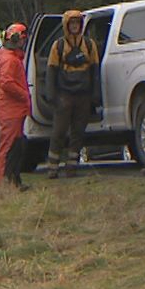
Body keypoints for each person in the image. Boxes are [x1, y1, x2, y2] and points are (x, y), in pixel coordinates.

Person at [46, 9, 100, 179]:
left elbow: (95, 71)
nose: (75, 26)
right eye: (72, 23)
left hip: (83, 95)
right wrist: (51, 94)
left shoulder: (89, 45)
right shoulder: (58, 46)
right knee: (59, 132)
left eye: (78, 23)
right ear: (66, 26)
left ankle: (72, 167)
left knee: (78, 133)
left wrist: (96, 94)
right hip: (64, 95)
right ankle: (53, 167)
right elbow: (51, 71)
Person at [0, 22, 30, 190]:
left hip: (13, 110)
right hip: (11, 111)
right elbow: (7, 83)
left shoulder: (12, 58)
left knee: (16, 146)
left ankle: (13, 181)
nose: (23, 42)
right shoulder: (10, 60)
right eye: (22, 39)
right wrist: (24, 94)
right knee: (8, 147)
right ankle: (4, 183)